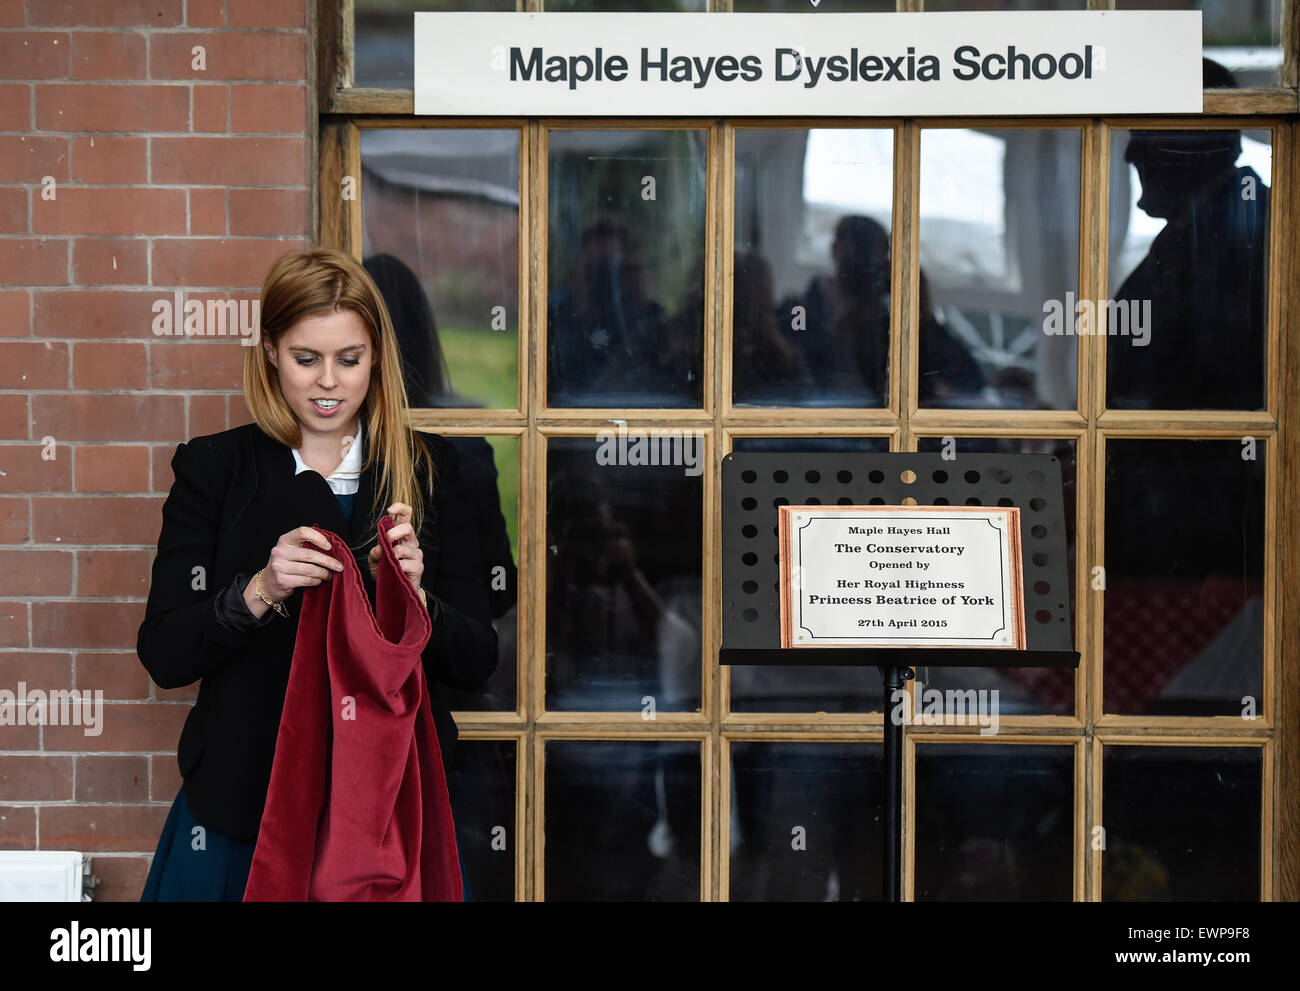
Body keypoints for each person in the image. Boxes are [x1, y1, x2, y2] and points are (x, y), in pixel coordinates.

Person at [138, 248, 498, 901]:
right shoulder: (213, 469)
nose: (328, 382)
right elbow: (164, 651)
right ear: (270, 350)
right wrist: (257, 591)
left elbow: (477, 660)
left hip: (385, 814)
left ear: (378, 355)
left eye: (349, 359)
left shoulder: (435, 469)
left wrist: (420, 603)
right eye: (307, 359)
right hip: (243, 809)